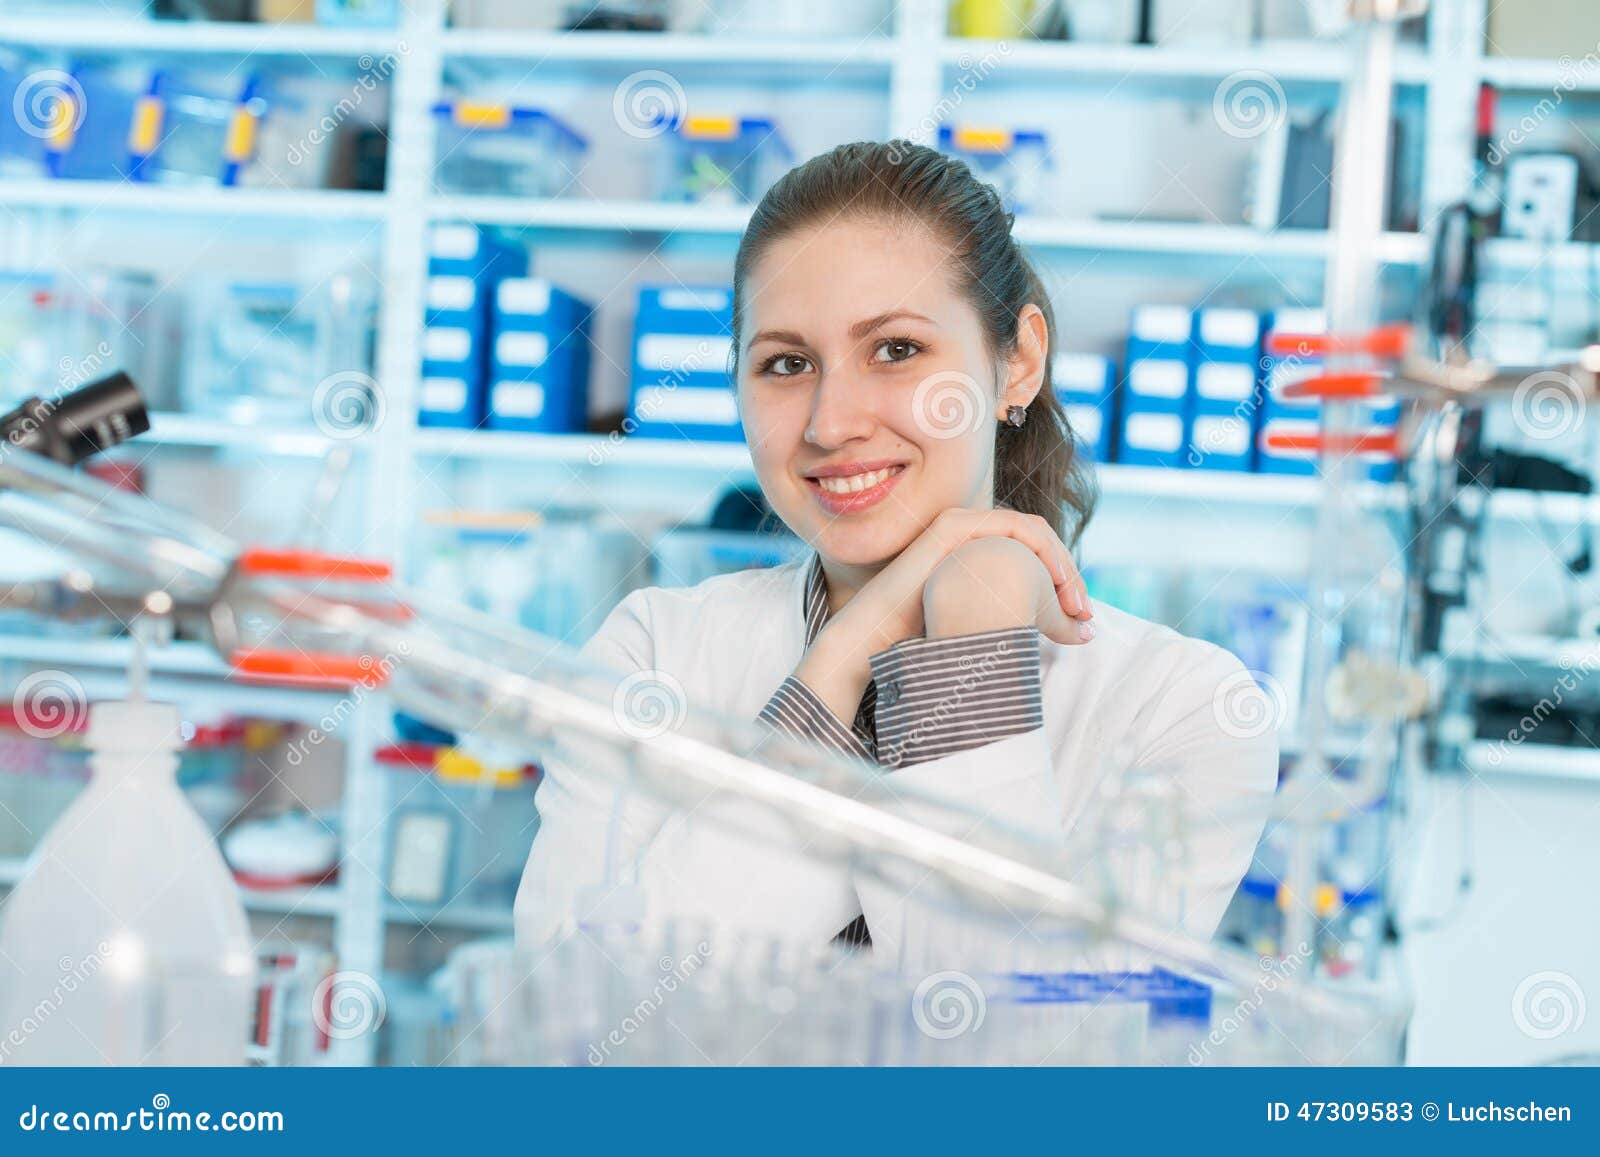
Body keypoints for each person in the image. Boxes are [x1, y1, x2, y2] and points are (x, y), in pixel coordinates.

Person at [514, 140, 1277, 964]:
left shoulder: (1183, 709)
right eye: (787, 363)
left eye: (897, 350)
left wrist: (972, 643)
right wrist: (839, 665)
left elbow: (1012, 1049)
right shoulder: (655, 649)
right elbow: (579, 1030)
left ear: (1017, 359)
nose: (830, 422)